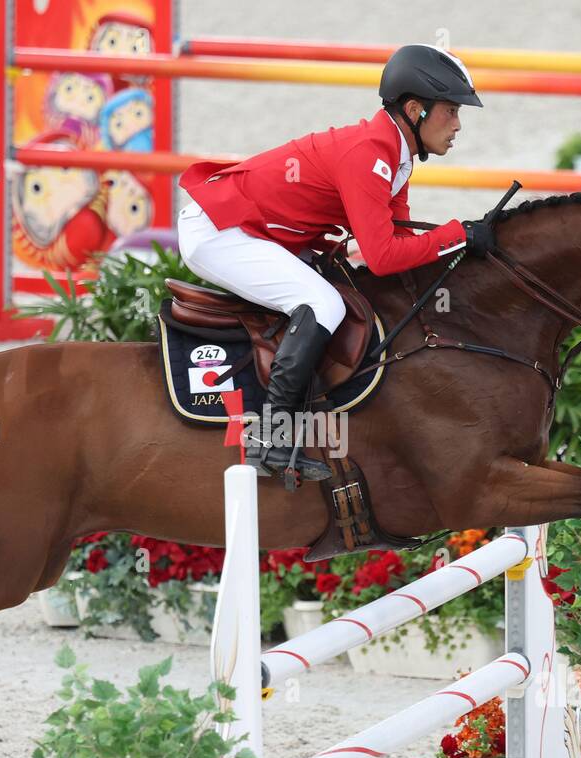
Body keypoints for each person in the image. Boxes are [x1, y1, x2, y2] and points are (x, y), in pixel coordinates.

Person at [177, 44, 495, 483]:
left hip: (255, 230)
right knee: (324, 304)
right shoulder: (370, 156)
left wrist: (459, 251)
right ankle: (270, 435)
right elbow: (384, 257)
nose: (458, 125)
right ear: (416, 109)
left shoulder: (395, 160)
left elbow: (400, 244)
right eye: (451, 111)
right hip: (221, 231)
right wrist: (458, 234)